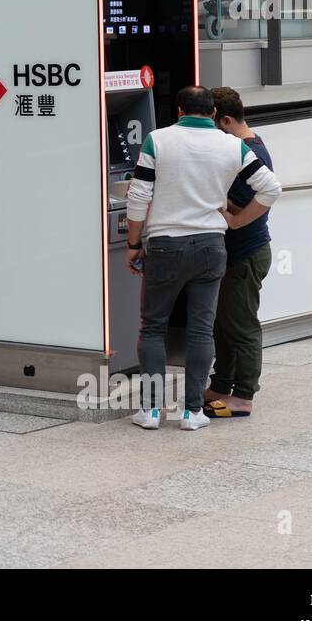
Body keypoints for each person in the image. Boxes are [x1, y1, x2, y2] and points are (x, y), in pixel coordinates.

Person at [124, 85, 282, 431]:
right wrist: (237, 220)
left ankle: (151, 411)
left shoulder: (157, 139)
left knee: (153, 327)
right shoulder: (234, 145)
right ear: (212, 114)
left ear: (179, 112)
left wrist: (134, 243)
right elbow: (272, 188)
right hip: (212, 246)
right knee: (200, 330)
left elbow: (138, 196)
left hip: (166, 244)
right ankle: (193, 412)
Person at [203, 86, 274, 418]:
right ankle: (222, 384)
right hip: (238, 253)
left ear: (226, 120)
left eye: (213, 124)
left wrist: (230, 216)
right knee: (225, 324)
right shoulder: (248, 145)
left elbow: (256, 199)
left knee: (242, 324)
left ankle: (244, 395)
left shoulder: (249, 151)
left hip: (247, 253)